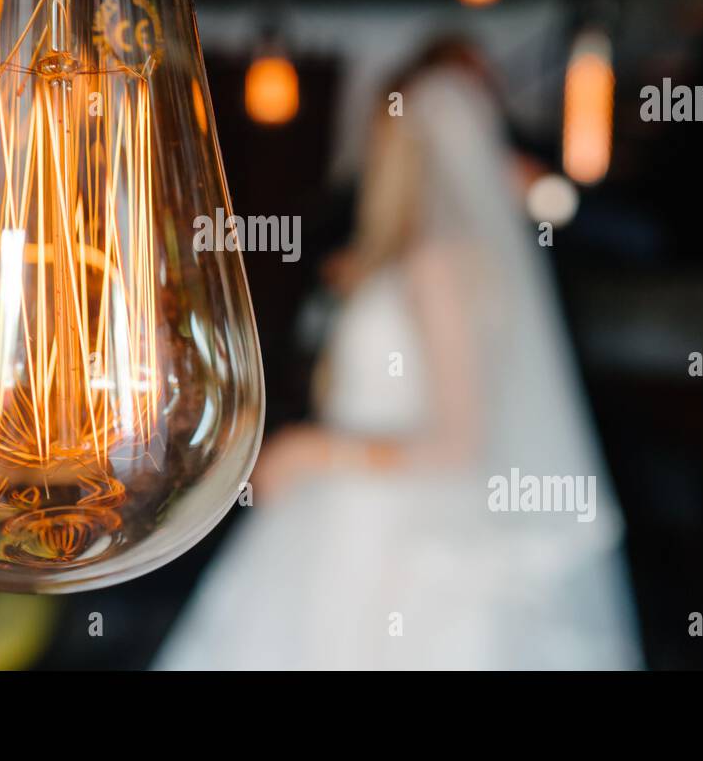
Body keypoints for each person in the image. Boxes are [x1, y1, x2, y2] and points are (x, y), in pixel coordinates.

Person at [156, 39, 641, 669]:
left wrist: (309, 450)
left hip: (386, 529)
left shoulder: (435, 265)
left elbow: (459, 443)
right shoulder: (411, 257)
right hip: (349, 514)